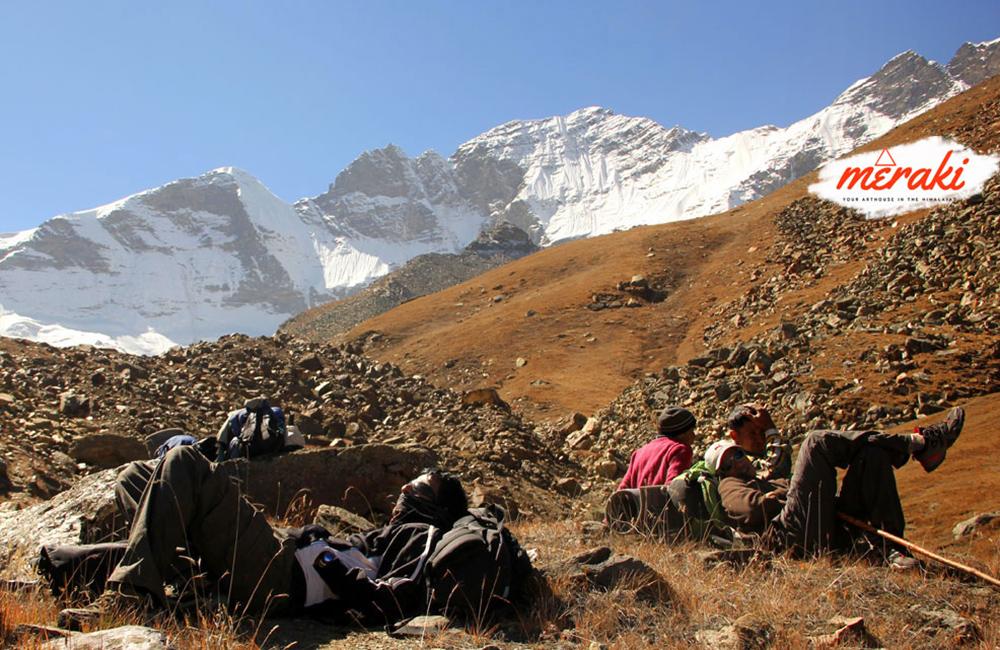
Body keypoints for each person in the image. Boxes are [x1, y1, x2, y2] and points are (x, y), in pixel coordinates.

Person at [59, 445, 469, 627]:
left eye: (418, 487)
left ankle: (131, 597)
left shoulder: (422, 533)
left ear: (436, 508)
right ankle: (190, 583)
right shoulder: (388, 532)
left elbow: (396, 595)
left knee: (183, 460)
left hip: (282, 574)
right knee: (135, 476)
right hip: (275, 556)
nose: (404, 488)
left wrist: (328, 563)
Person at [710, 406, 965, 559]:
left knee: (871, 455)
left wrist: (769, 428)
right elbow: (751, 509)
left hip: (823, 526)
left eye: (739, 455)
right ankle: (920, 444)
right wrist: (787, 496)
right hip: (789, 537)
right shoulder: (728, 484)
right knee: (814, 442)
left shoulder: (763, 474)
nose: (738, 462)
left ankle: (892, 549)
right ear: (722, 471)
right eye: (729, 462)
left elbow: (779, 458)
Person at [617, 405, 697, 490]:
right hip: (661, 499)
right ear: (682, 433)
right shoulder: (680, 450)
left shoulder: (638, 453)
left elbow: (622, 491)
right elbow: (674, 488)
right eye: (691, 431)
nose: (694, 436)